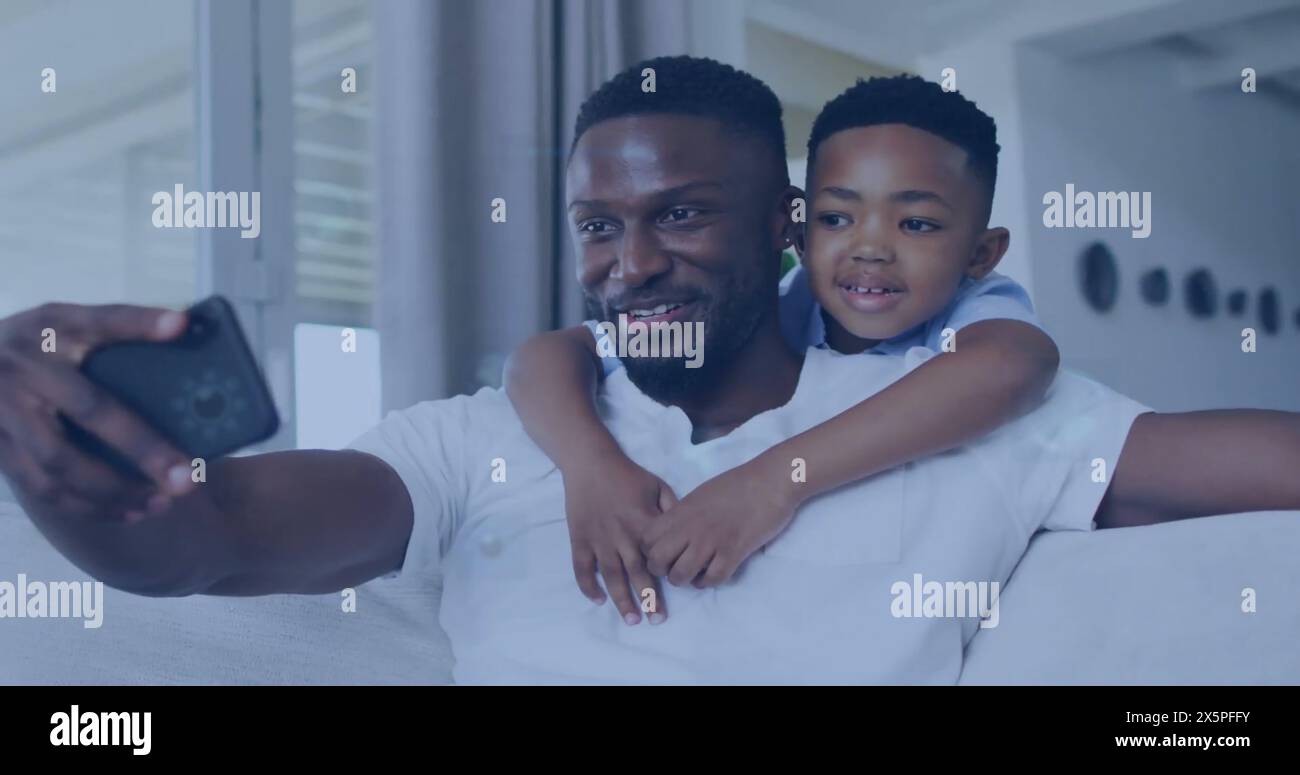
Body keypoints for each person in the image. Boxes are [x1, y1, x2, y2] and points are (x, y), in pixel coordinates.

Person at [1, 57, 1297, 683]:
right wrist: (100, 484)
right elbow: (212, 543)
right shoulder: (487, 437)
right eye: (597, 226)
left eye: (680, 215)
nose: (631, 264)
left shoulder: (944, 414)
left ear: (786, 223)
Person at [504, 69, 1059, 624]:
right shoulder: (785, 303)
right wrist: (591, 468)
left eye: (915, 223)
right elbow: (544, 356)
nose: (870, 250)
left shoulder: (970, 306)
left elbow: (1012, 363)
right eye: (835, 218)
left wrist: (770, 483)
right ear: (796, 229)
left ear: (981, 256)